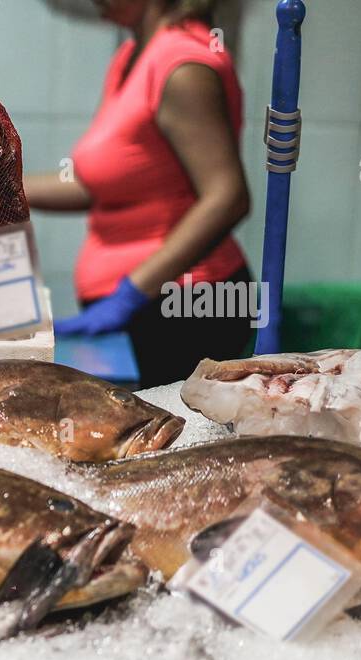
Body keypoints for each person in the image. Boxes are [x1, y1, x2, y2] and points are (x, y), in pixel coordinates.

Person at [26, 0, 253, 387]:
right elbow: (98, 182)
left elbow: (227, 196)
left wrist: (130, 295)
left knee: (166, 440)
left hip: (187, 308)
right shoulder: (134, 54)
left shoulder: (184, 68)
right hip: (145, 308)